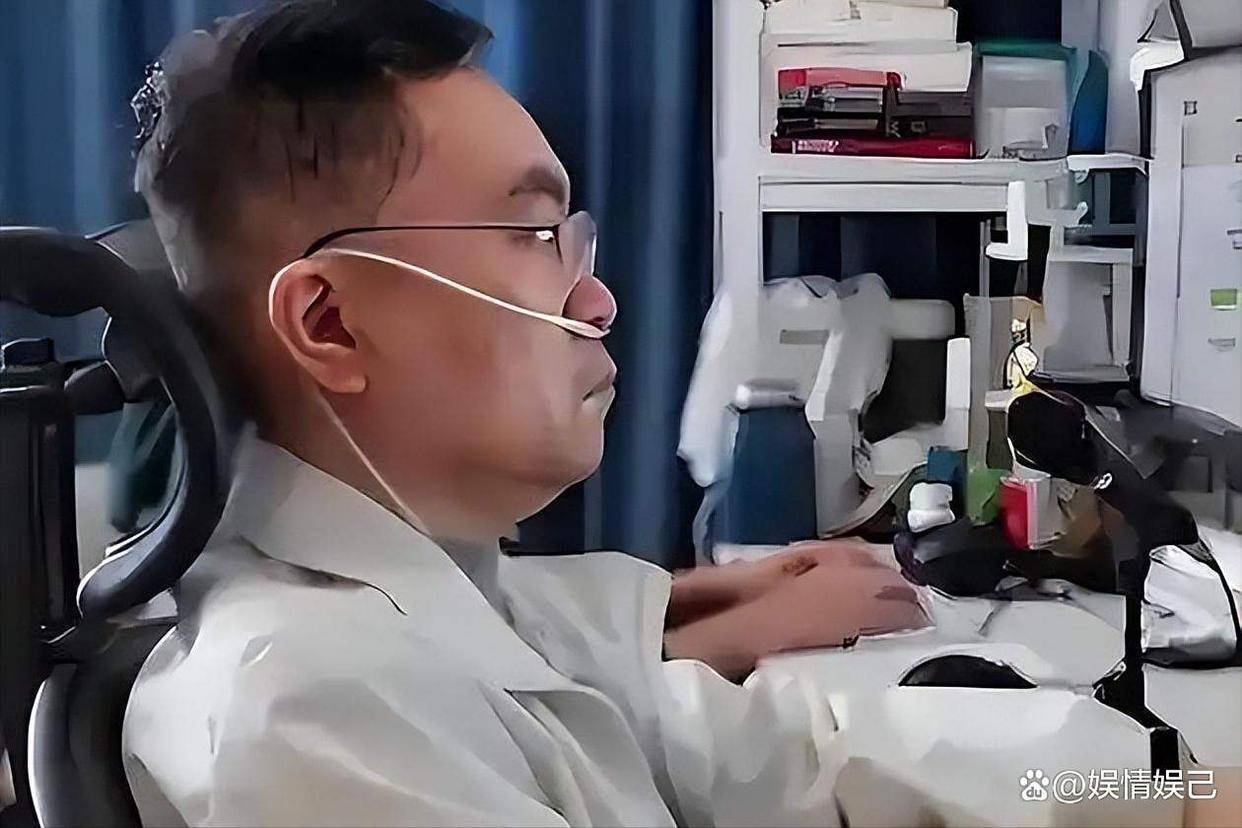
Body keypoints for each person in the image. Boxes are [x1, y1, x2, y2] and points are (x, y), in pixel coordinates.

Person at [121, 2, 1225, 826]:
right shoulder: (309, 713)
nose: (597, 299)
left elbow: (793, 755)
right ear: (330, 323)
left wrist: (1169, 793)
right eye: (531, 235)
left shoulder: (442, 603)